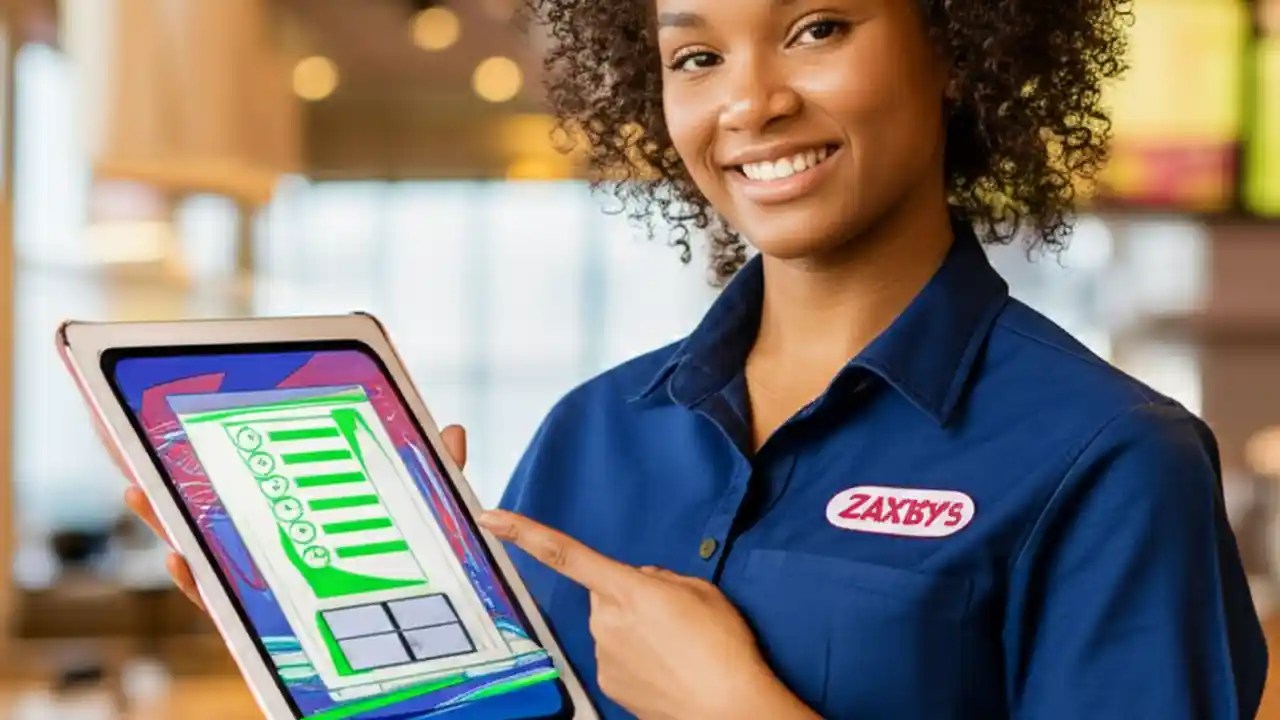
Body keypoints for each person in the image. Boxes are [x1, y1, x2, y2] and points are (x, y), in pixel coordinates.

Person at [119, 0, 1270, 717]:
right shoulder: (591, 431)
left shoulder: (1110, 458)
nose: (751, 103)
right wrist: (320, 660)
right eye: (696, 55)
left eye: (816, 29)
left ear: (954, 43)